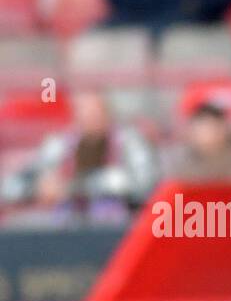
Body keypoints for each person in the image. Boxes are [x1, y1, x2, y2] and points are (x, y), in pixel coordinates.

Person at [0, 90, 158, 219]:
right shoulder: (60, 146)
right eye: (85, 112)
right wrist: (38, 187)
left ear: (107, 114)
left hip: (117, 231)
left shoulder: (129, 142)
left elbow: (143, 186)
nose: (90, 118)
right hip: (66, 231)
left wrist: (70, 187)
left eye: (96, 112)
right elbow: (11, 186)